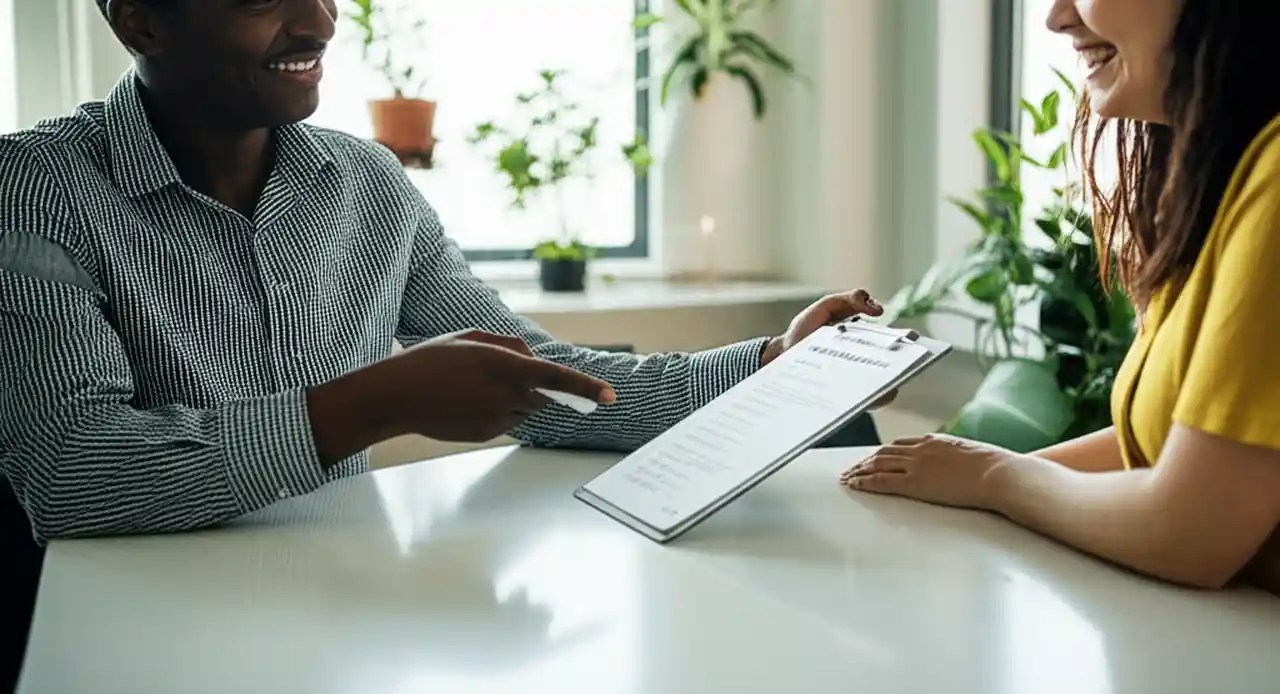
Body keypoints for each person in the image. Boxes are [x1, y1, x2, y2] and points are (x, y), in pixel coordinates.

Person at [0, 0, 890, 544]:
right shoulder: (36, 186)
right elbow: (71, 473)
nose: (316, 21)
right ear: (138, 20)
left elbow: (536, 378)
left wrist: (769, 364)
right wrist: (379, 401)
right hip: (131, 628)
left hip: (333, 592)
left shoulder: (367, 185)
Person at [844, 0, 1280, 595]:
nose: (1056, 18)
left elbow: (1192, 531)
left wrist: (995, 476)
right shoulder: (1230, 179)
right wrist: (960, 473)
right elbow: (1161, 446)